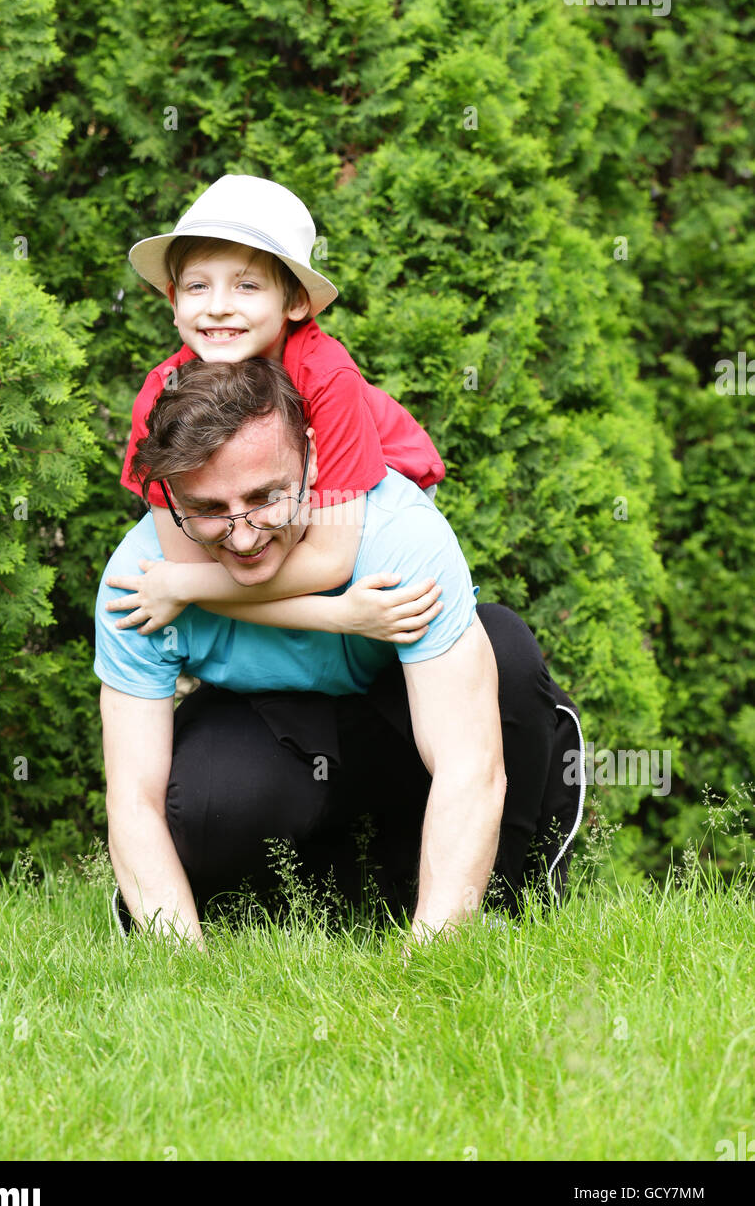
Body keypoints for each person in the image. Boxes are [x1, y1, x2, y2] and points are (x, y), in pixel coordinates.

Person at [95, 358, 586, 956]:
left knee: (502, 654)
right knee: (206, 804)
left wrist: (429, 967)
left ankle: (490, 909)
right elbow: (133, 799)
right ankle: (301, 909)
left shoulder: (398, 537)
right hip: (271, 731)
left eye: (266, 498)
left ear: (312, 456)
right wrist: (181, 966)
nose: (244, 538)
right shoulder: (140, 582)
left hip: (395, 718)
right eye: (208, 509)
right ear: (167, 494)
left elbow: (469, 767)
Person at [113, 173, 448, 637]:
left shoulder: (328, 378)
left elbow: (328, 562)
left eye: (246, 286)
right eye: (197, 287)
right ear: (173, 301)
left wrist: (183, 586)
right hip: (280, 499)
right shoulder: (161, 395)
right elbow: (190, 564)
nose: (217, 307)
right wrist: (337, 618)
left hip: (385, 484)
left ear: (293, 301)